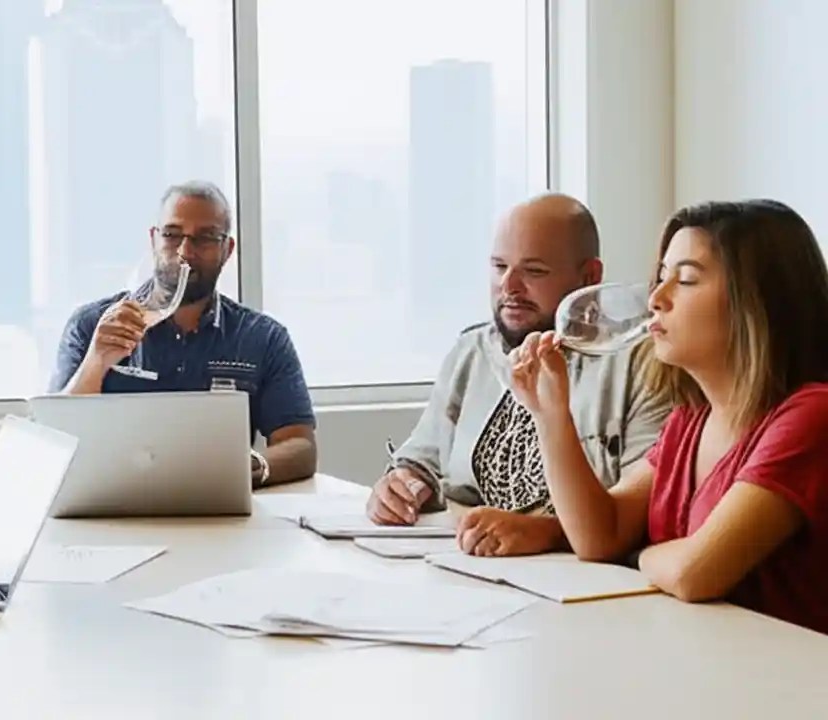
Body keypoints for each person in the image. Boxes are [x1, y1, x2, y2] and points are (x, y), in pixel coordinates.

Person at [507, 199, 828, 634]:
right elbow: (599, 535)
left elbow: (694, 573)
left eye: (687, 279)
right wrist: (550, 415)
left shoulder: (812, 415)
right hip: (710, 662)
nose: (656, 299)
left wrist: (638, 553)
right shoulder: (689, 423)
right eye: (661, 277)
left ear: (758, 302)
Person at [367, 193, 670, 557]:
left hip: (580, 584)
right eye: (499, 267)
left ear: (589, 276)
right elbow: (421, 462)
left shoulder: (641, 364)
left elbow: (639, 518)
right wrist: (399, 486)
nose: (509, 287)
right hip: (464, 566)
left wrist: (547, 533)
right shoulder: (472, 350)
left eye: (533, 271)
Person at [48, 181, 317, 487]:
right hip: (109, 504)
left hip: (218, 510)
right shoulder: (91, 324)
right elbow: (56, 441)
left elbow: (301, 446)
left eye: (205, 238)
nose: (185, 252)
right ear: (154, 240)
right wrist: (96, 362)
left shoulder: (262, 338)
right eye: (172, 235)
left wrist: (255, 467)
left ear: (227, 250)